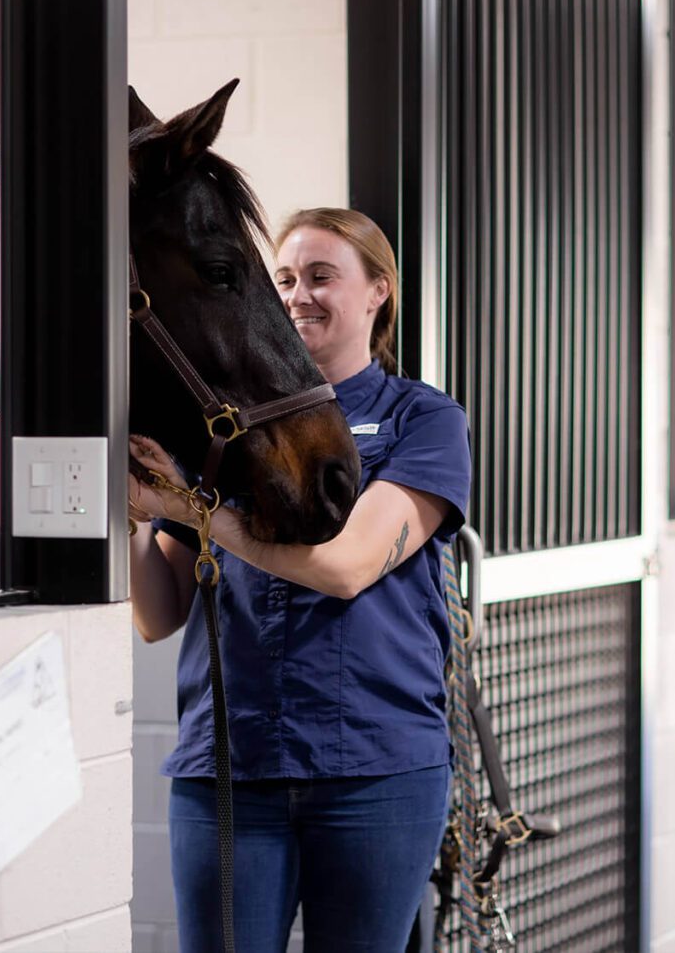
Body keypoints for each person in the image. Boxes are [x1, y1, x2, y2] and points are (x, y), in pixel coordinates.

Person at [128, 208, 471, 953]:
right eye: (282, 278)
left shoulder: (425, 420)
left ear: (379, 291)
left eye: (322, 276)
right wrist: (126, 514)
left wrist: (191, 508)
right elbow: (158, 615)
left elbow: (347, 567)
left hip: (375, 771)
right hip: (228, 768)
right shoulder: (219, 429)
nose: (297, 294)